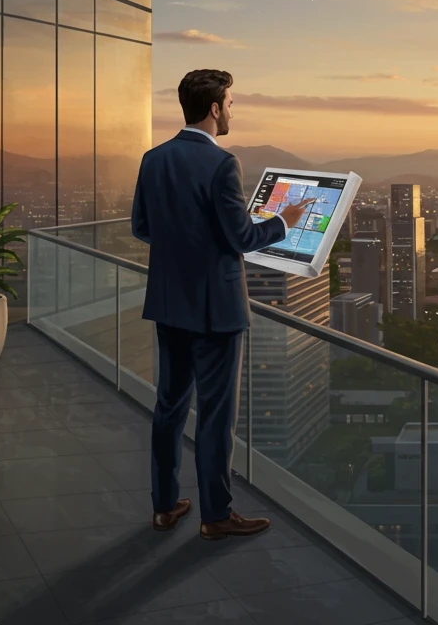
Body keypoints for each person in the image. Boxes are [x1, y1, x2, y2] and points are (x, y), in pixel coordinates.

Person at [131, 69, 315, 540]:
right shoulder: (222, 164)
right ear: (214, 109)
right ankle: (216, 515)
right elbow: (243, 237)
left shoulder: (153, 159)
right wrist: (283, 220)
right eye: (230, 103)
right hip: (215, 310)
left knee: (169, 408)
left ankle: (164, 506)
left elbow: (142, 227)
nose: (232, 111)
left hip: (170, 303)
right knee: (215, 415)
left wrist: (187, 244)